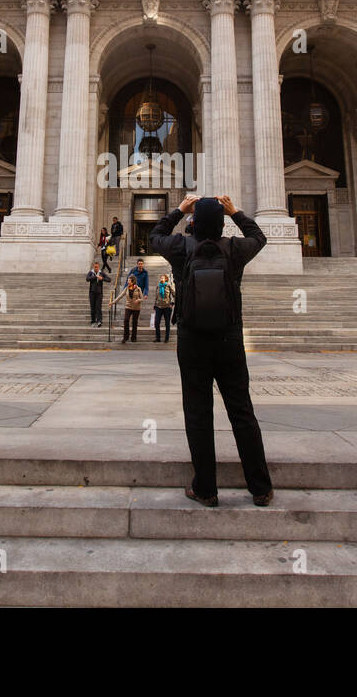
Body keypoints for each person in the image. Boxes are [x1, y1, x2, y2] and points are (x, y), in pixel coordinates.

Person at [151, 194, 273, 507]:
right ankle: (260, 487)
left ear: (193, 224)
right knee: (241, 410)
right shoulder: (234, 249)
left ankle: (205, 489)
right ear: (221, 224)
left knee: (198, 412)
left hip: (192, 338)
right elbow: (259, 237)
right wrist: (236, 213)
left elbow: (155, 236)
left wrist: (178, 209)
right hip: (229, 338)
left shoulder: (181, 248)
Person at [112, 274, 144, 344]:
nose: (127, 282)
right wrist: (113, 302)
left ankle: (134, 337)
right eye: (127, 280)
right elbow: (120, 296)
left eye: (129, 281)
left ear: (132, 282)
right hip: (128, 307)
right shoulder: (126, 288)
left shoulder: (138, 289)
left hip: (136, 308)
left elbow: (142, 298)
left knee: (134, 322)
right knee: (126, 320)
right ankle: (126, 337)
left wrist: (138, 300)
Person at [152, 273, 175, 343]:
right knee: (156, 323)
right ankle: (158, 338)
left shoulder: (168, 285)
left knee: (167, 323)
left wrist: (172, 303)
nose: (161, 279)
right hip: (158, 306)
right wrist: (155, 305)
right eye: (161, 278)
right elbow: (156, 296)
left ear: (166, 279)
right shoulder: (158, 286)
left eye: (163, 278)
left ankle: (166, 338)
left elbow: (174, 294)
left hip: (167, 307)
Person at [86, 262, 110, 327]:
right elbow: (87, 279)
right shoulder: (91, 272)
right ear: (93, 267)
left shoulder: (101, 273)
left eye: (97, 267)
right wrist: (94, 277)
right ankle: (93, 321)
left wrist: (102, 279)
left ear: (99, 267)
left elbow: (109, 279)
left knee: (98, 307)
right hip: (92, 293)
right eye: (95, 267)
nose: (96, 268)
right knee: (92, 307)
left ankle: (99, 321)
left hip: (99, 293)